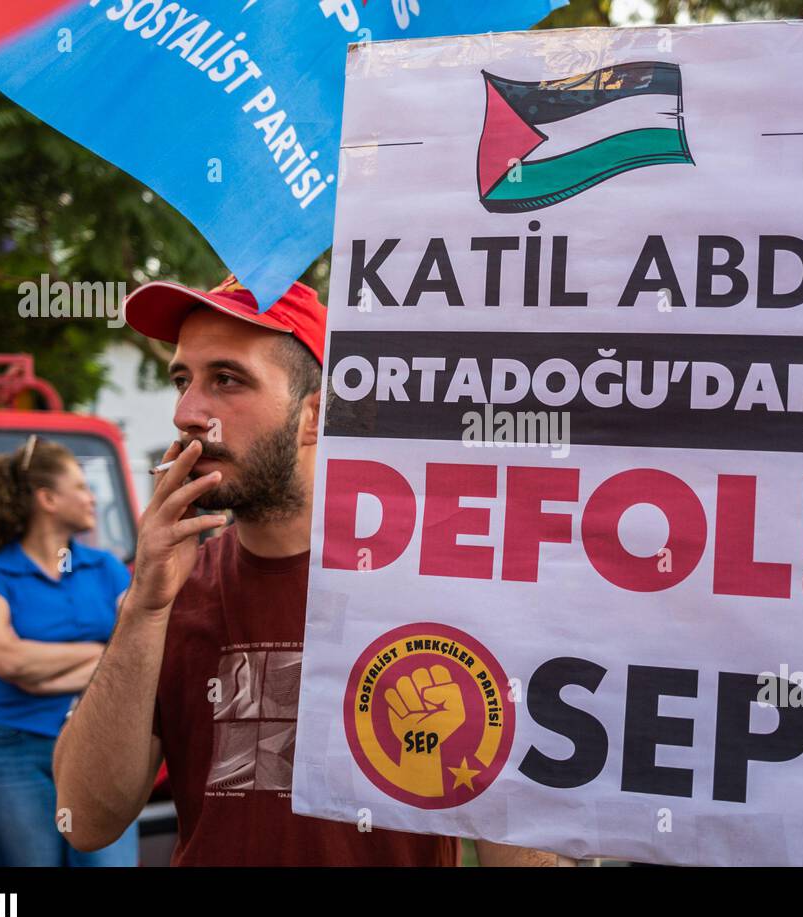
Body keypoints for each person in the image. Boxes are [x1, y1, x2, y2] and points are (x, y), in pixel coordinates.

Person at [53, 275, 564, 866]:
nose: (187, 413)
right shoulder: (168, 592)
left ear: (315, 416)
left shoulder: (434, 588)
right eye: (182, 380)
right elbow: (83, 822)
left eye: (226, 379)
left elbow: (516, 846)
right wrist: (143, 608)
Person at [0, 437, 137, 866]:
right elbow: (7, 659)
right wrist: (102, 656)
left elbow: (137, 654)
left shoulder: (106, 567)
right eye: (81, 486)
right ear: (48, 499)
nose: (92, 497)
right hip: (13, 754)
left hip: (98, 747)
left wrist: (43, 671)